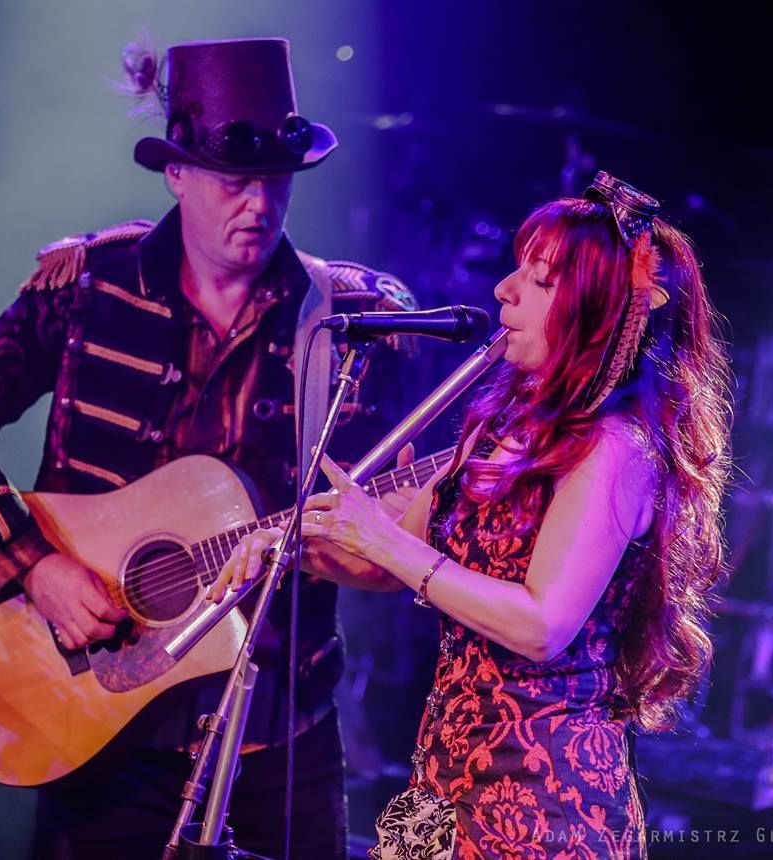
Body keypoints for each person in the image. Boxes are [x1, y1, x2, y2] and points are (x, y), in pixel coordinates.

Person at [0, 38, 416, 859]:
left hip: (277, 733)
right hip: (95, 725)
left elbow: (389, 519)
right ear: (177, 173)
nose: (258, 206)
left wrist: (370, 544)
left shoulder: (345, 323)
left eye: (275, 184)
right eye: (235, 181)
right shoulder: (86, 289)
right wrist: (34, 563)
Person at [219, 173, 732, 858]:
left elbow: (541, 624)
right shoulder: (500, 425)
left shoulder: (615, 448)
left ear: (596, 314)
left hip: (547, 792)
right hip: (440, 776)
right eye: (518, 268)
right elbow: (384, 561)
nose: (504, 290)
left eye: (540, 281)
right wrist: (289, 544)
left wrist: (390, 544)